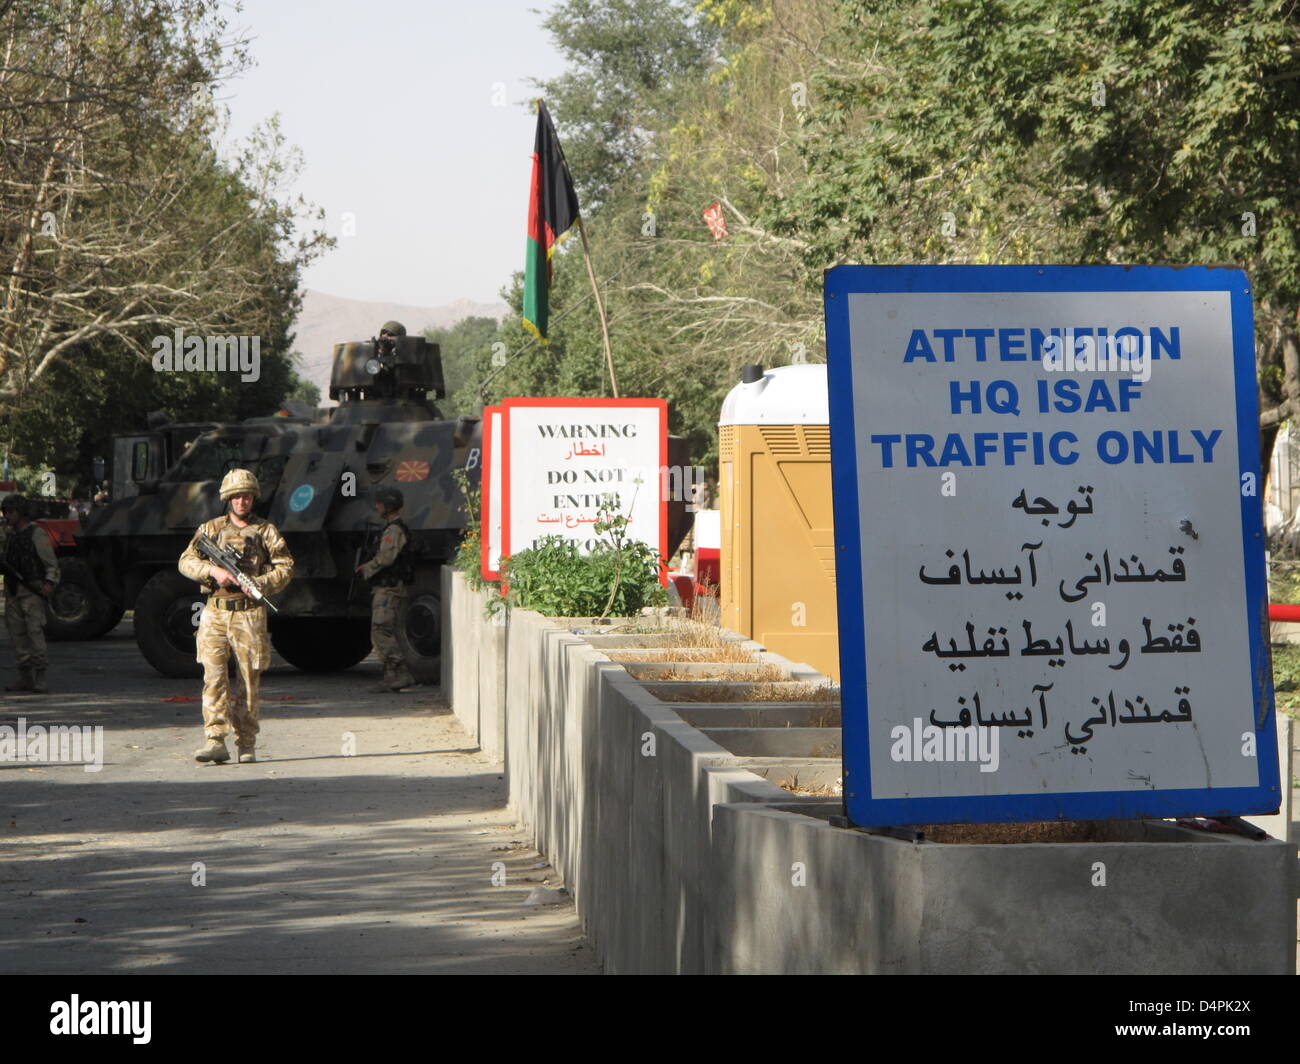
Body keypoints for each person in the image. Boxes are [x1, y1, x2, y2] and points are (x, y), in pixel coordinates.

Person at [178, 469, 293, 764]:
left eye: (247, 496)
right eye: (237, 496)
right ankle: (215, 739)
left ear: (254, 498)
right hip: (216, 611)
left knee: (248, 681)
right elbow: (186, 561)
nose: (242, 501)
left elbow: (285, 567)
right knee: (214, 678)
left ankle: (246, 742)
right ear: (228, 498)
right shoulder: (211, 529)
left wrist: (260, 583)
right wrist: (212, 571)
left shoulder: (266, 531)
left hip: (249, 614)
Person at [356, 485, 416, 692]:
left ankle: (400, 674)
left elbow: (387, 557)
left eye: (380, 503)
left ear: (388, 505)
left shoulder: (394, 530)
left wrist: (368, 568)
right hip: (388, 587)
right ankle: (393, 678)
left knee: (381, 630)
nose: (377, 506)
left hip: (389, 588)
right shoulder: (393, 529)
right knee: (381, 630)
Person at [1, 495, 59, 693]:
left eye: (11, 512)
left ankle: (40, 676)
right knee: (17, 636)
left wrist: (50, 583)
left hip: (32, 591)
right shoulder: (8, 535)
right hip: (13, 591)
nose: (7, 516)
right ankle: (25, 677)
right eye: (5, 512)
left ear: (21, 512)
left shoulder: (36, 534)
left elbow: (51, 563)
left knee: (35, 634)